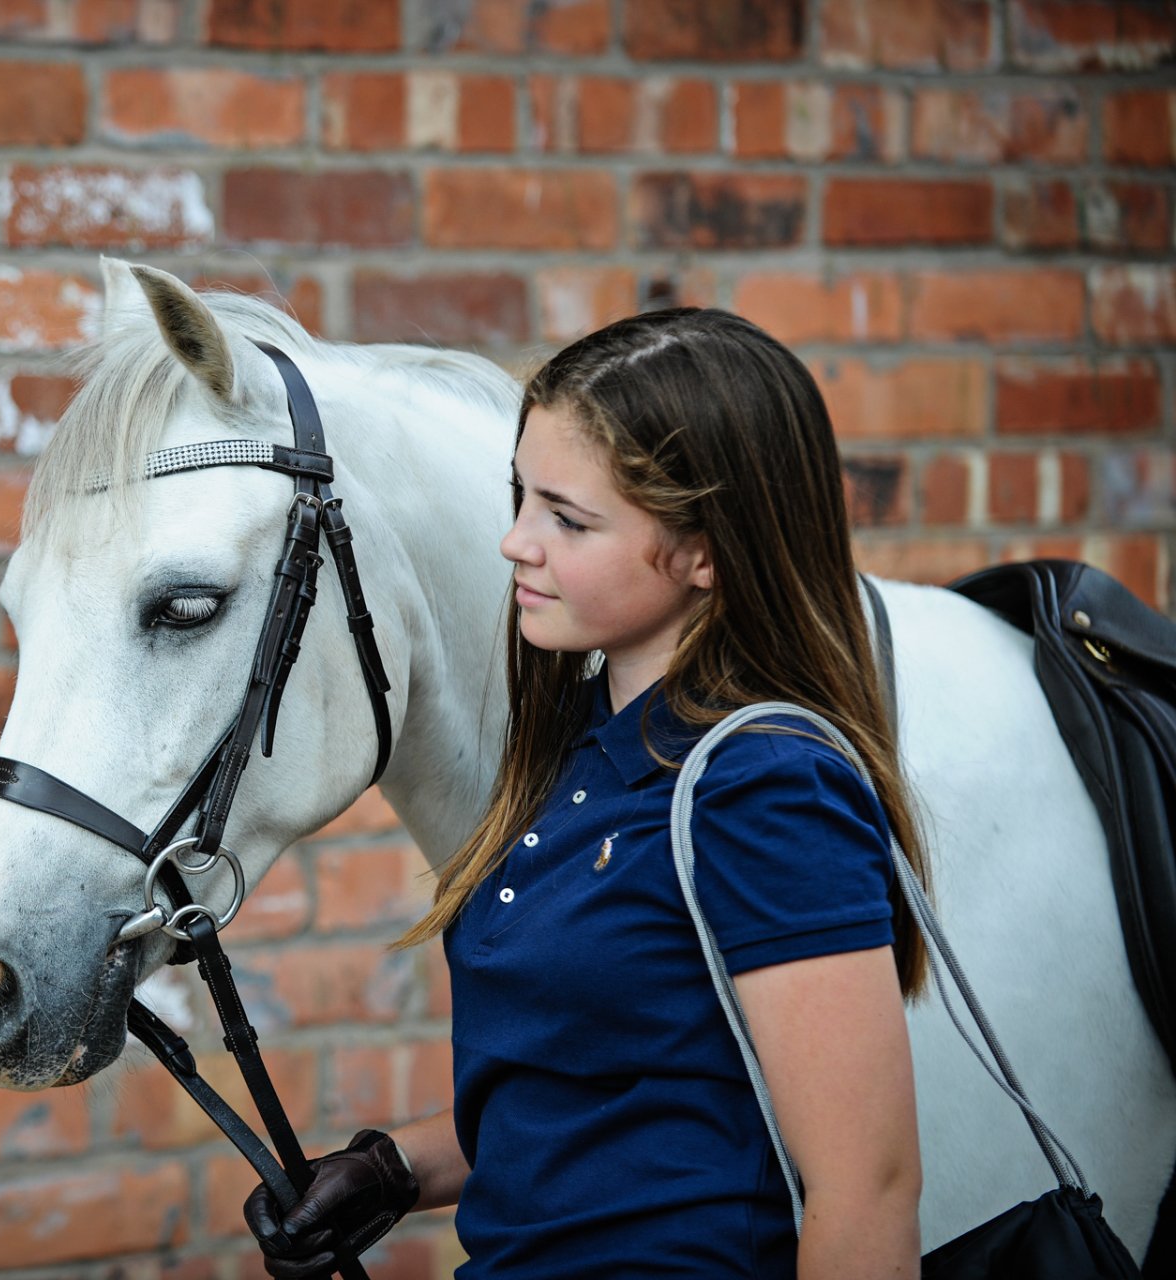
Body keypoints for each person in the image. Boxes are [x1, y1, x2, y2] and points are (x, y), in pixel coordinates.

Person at [245, 308, 930, 1279]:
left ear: (706, 551)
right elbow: (593, 1100)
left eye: (567, 518)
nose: (515, 542)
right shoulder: (574, 744)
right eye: (519, 495)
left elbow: (868, 1189)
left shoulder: (767, 786)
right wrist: (390, 1167)